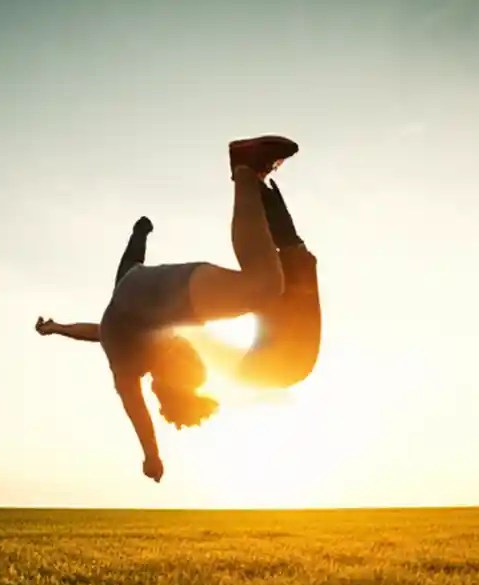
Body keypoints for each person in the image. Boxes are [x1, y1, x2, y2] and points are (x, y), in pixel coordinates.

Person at [35, 135, 322, 482]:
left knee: (261, 286)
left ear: (169, 379)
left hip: (154, 294)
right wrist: (58, 328)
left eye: (186, 367)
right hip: (145, 292)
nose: (187, 352)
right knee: (281, 344)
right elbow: (97, 332)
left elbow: (138, 414)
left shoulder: (127, 370)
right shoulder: (132, 341)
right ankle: (280, 232)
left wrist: (151, 457)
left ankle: (246, 171)